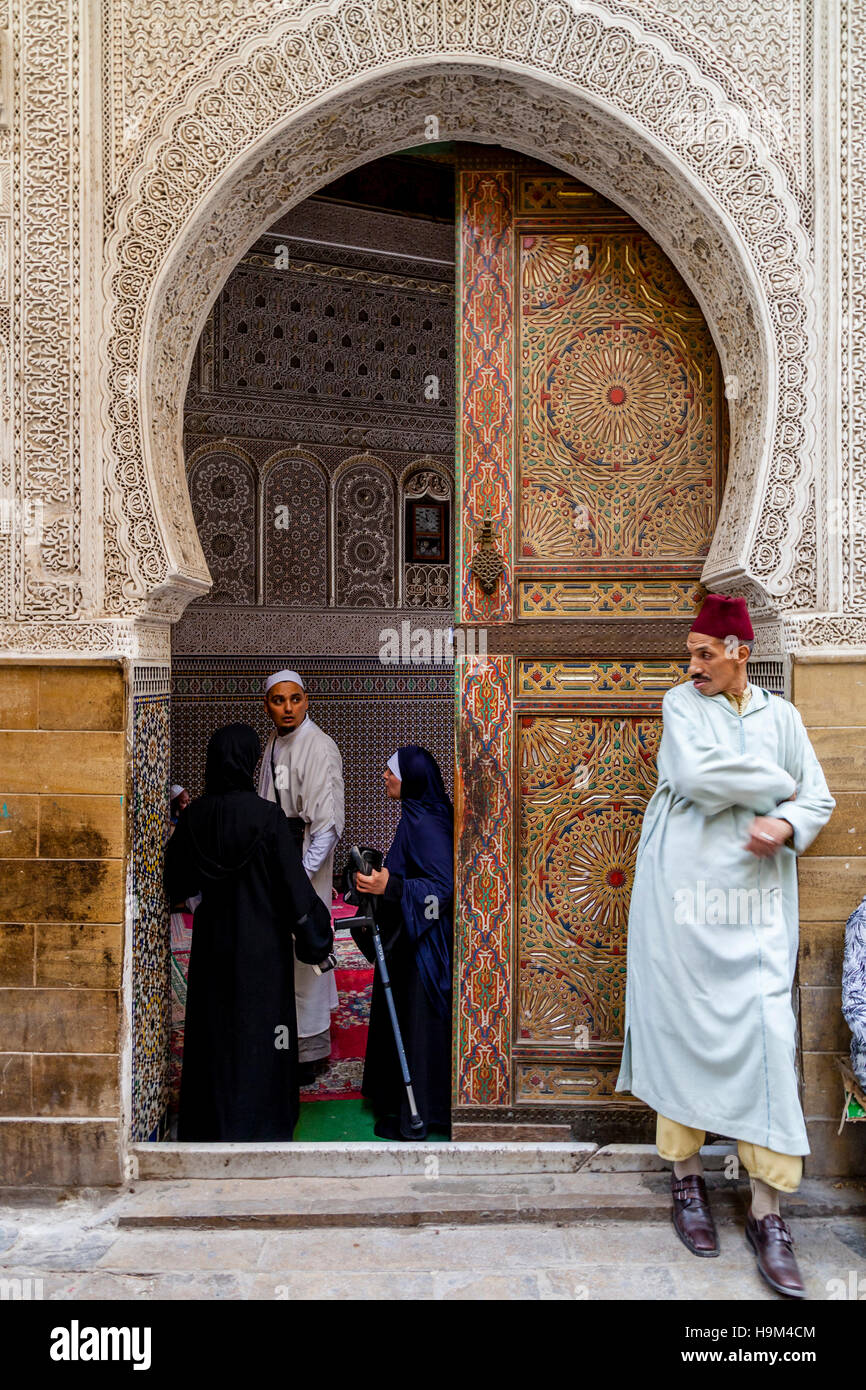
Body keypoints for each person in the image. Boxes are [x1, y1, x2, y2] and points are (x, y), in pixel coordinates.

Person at [616, 593, 835, 1298]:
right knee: (684, 1028)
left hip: (756, 912)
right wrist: (777, 786)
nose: (694, 665)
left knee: (767, 1038)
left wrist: (787, 823)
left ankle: (769, 1214)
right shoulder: (682, 706)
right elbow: (697, 778)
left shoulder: (784, 717)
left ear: (740, 651)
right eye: (691, 653)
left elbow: (819, 800)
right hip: (684, 904)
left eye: (706, 653)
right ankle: (686, 1185)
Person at [164, 723, 333, 1141]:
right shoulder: (267, 817)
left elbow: (177, 884)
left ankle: (211, 1121)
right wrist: (315, 932)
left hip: (212, 948)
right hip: (262, 947)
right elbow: (294, 888)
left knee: (214, 1030)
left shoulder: (195, 817)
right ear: (247, 761)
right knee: (266, 1031)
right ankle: (263, 1119)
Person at [358, 745, 453, 1140]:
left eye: (390, 771)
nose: (385, 776)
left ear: (410, 779)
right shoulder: (416, 816)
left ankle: (421, 1114)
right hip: (413, 937)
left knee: (417, 1022)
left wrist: (390, 886)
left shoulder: (426, 824)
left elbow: (441, 889)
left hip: (425, 947)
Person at [258, 669, 345, 1083]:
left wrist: (301, 877)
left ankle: (310, 1053)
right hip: (281, 862)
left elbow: (325, 826)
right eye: (279, 700)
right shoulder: (275, 744)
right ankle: (285, 1042)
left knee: (306, 952)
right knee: (282, 954)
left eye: (295, 699)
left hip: (303, 864)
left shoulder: (318, 746)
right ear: (268, 705)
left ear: (307, 700)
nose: (288, 707)